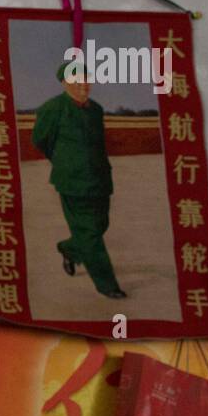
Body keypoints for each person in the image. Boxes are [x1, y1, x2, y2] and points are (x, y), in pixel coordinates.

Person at [32, 60, 126, 299]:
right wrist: (65, 162)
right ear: (65, 83)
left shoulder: (96, 109)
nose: (83, 85)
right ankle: (108, 285)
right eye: (76, 81)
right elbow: (41, 140)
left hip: (100, 179)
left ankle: (69, 249)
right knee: (90, 234)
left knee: (99, 225)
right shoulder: (52, 109)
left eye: (86, 79)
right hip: (73, 182)